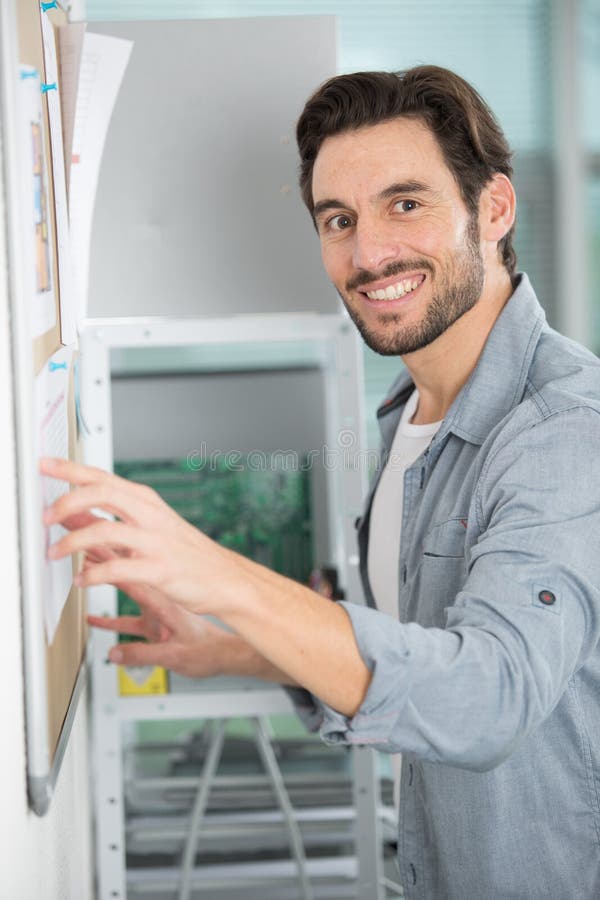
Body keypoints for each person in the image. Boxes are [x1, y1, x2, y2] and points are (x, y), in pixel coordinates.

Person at [41, 66, 600, 899]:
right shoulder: (404, 411)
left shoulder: (565, 428)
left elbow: (485, 697)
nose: (369, 254)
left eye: (405, 203)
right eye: (339, 219)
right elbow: (408, 647)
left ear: (494, 210)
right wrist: (230, 647)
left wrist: (215, 571)